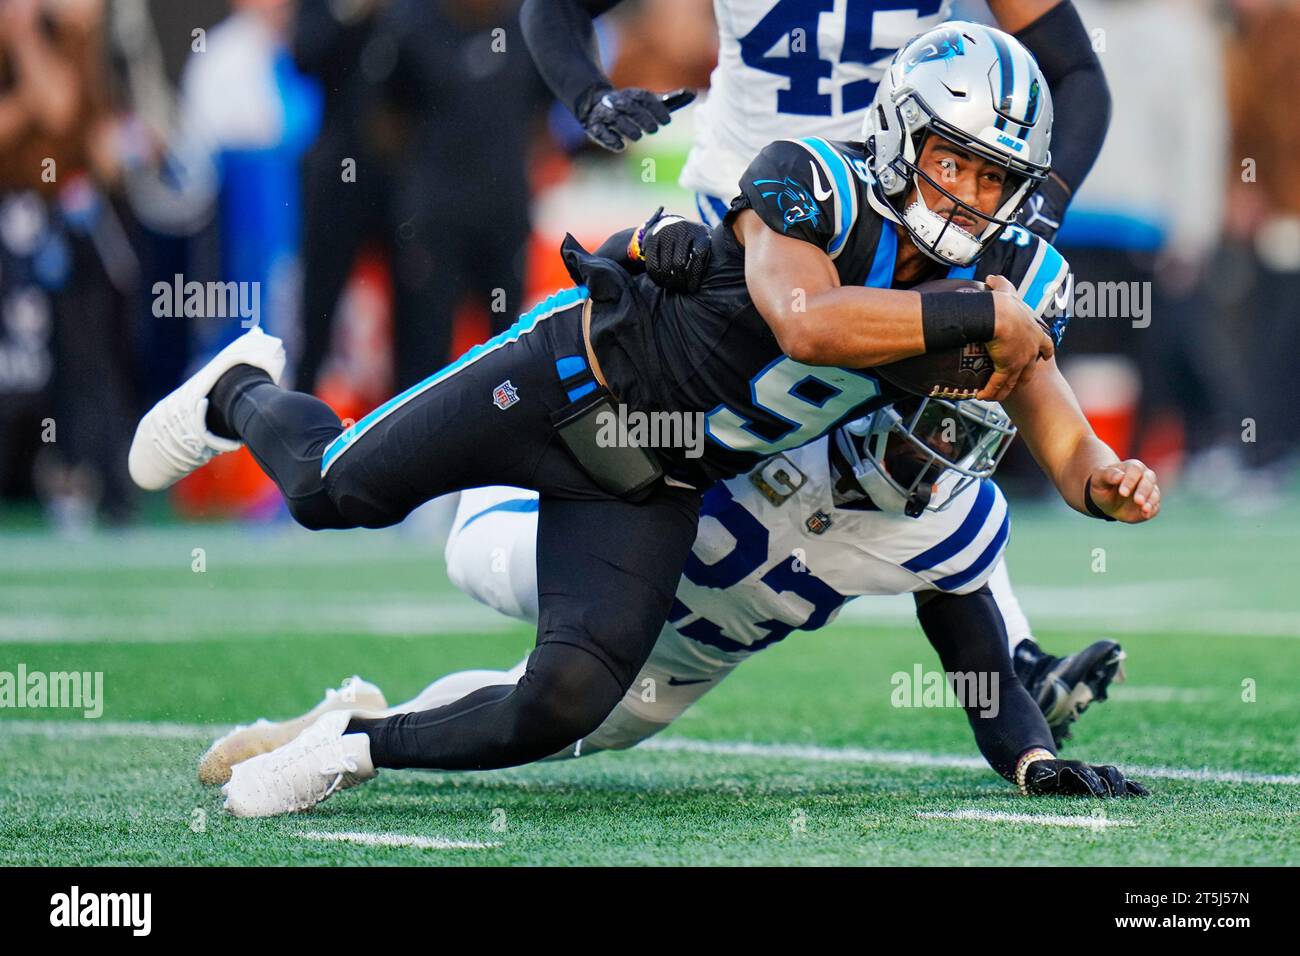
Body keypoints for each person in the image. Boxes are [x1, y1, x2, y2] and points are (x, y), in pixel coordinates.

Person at [127, 24, 1158, 816]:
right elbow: (805, 322)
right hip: (576, 375)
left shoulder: (997, 285)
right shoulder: (817, 182)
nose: (973, 197)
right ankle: (240, 391)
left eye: (995, 179)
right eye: (956, 161)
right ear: (900, 134)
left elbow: (1053, 418)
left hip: (651, 476)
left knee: (566, 697)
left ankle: (348, 744)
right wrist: (974, 310)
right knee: (327, 490)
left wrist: (1103, 477)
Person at [198, 397, 1132, 801]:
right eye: (916, 440)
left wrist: (1035, 762)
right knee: (453, 550)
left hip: (677, 667)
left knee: (538, 717)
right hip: (562, 529)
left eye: (951, 453)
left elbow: (977, 669)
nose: (925, 470)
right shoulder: (789, 410)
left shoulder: (939, 521)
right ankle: (246, 394)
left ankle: (351, 726)